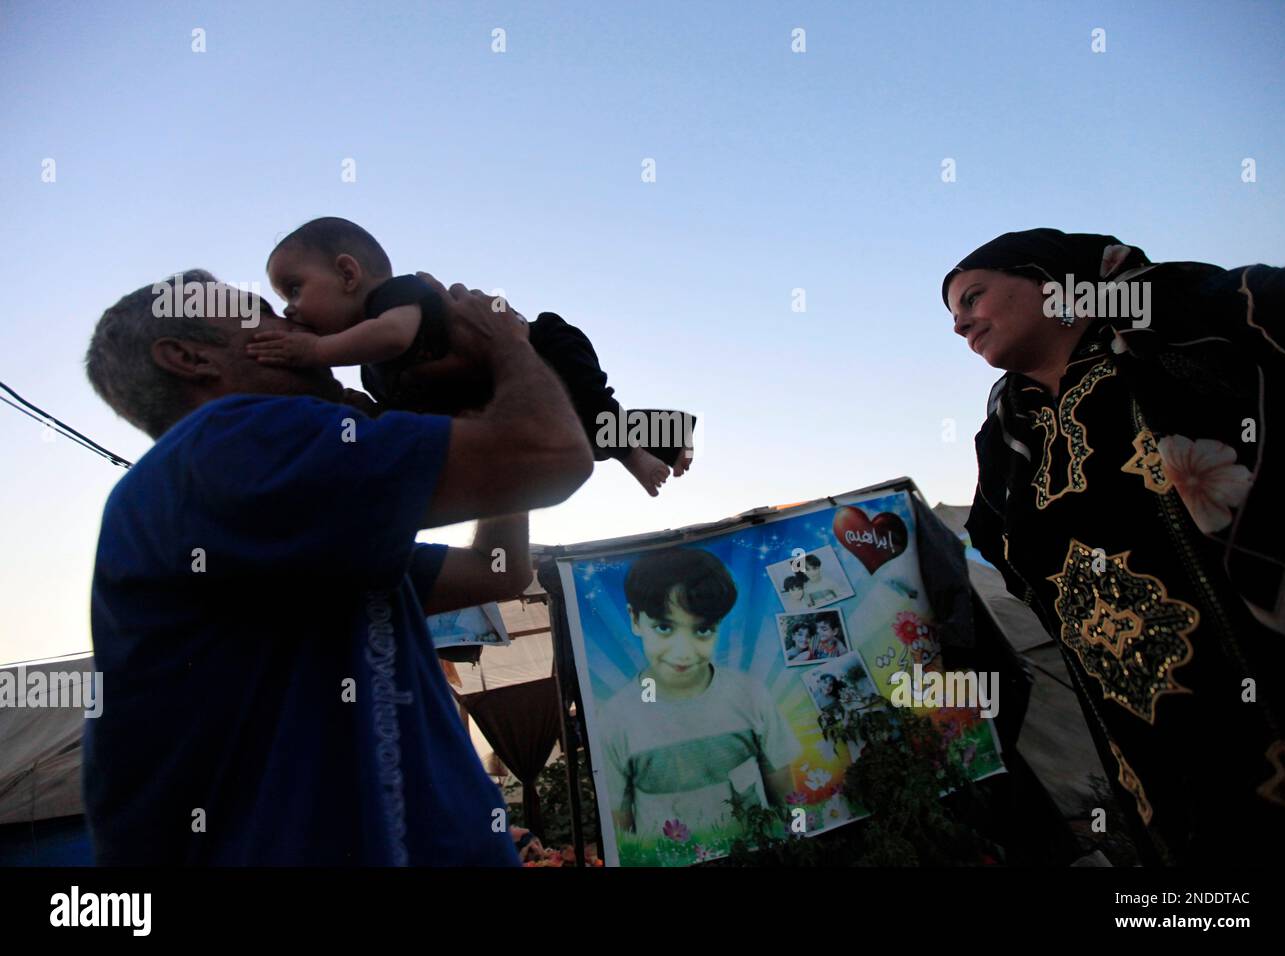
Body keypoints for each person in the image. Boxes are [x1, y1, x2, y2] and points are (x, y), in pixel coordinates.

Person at [82, 269, 593, 865]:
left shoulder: (296, 521)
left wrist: (480, 402)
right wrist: (505, 342)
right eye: (260, 313)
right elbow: (553, 454)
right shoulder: (227, 444)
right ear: (189, 358)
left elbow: (496, 571)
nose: (294, 320)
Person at [943, 227, 1285, 865]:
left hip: (1260, 676)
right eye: (953, 314)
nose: (961, 324)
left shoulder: (1177, 328)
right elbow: (998, 550)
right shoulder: (1004, 436)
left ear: (1053, 282)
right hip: (1136, 728)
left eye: (973, 297)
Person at [250, 217, 694, 497]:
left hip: (544, 344)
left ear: (348, 273)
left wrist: (314, 350)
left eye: (294, 289)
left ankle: (635, 453)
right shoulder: (373, 373)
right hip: (507, 386)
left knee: (590, 401)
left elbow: (393, 335)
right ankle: (669, 430)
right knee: (575, 432)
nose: (290, 308)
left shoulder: (396, 296)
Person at [600, 548, 800, 840]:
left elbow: (785, 794)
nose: (683, 652)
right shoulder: (616, 718)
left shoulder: (750, 696)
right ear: (634, 619)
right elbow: (621, 826)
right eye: (664, 627)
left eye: (703, 630)